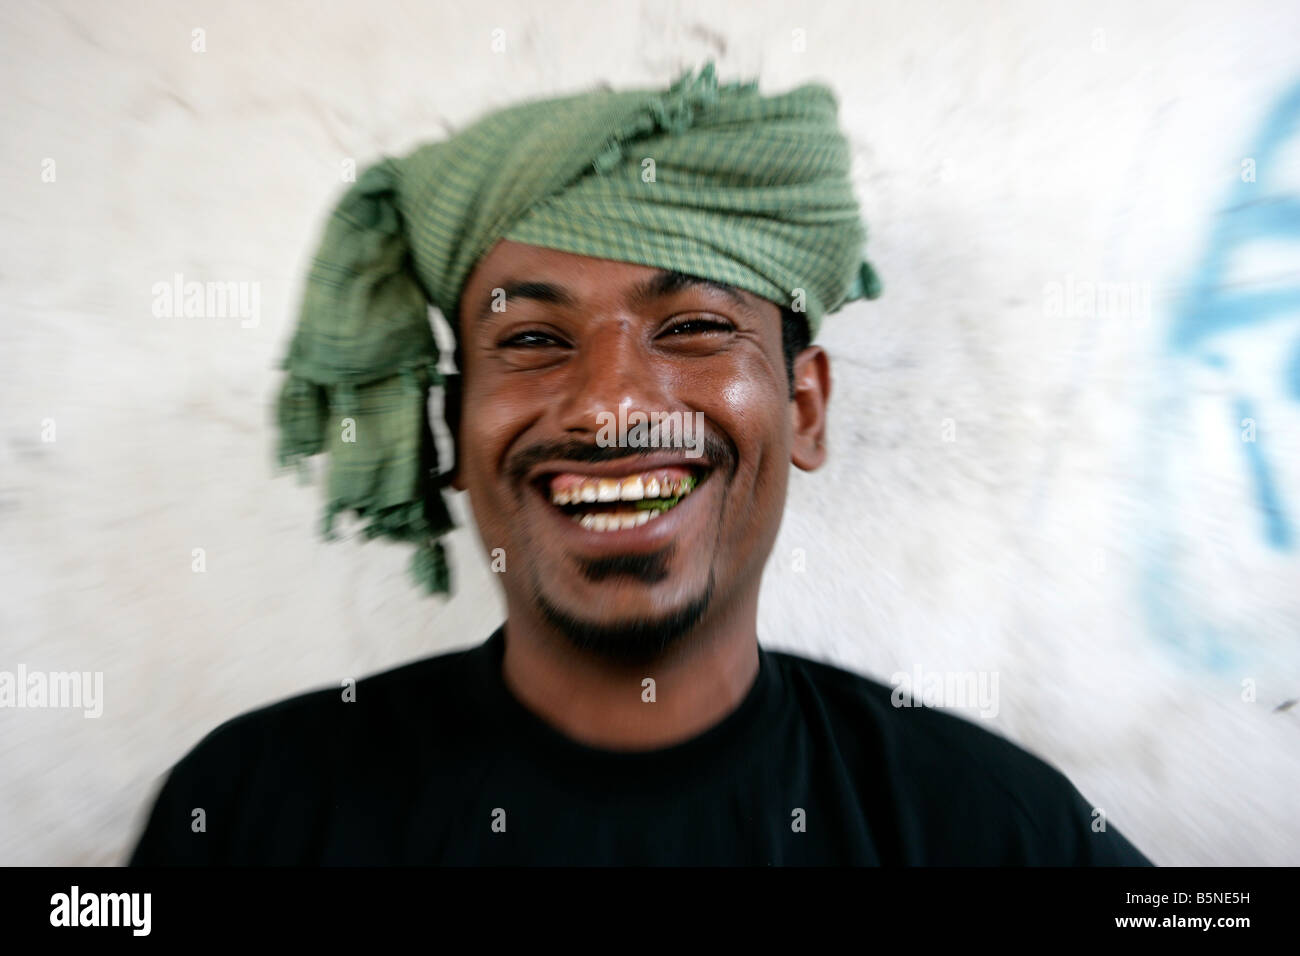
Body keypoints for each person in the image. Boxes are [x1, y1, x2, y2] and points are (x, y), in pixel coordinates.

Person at [128, 63, 1152, 866]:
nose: (613, 404)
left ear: (803, 405)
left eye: (697, 326)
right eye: (530, 340)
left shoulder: (990, 827)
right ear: (449, 424)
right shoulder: (251, 812)